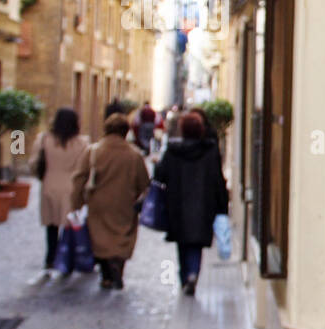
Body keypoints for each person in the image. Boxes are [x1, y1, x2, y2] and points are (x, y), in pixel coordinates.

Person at [71, 113, 149, 289]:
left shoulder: (93, 151)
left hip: (98, 203)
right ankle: (118, 266)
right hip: (124, 203)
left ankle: (106, 275)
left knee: (99, 238)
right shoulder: (134, 155)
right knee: (121, 237)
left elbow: (79, 178)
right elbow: (144, 182)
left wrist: (76, 203)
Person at [154, 110, 227, 296]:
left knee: (182, 243)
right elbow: (218, 179)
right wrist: (222, 205)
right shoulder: (210, 151)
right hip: (203, 205)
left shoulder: (173, 151)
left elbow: (160, 176)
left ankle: (185, 276)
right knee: (196, 244)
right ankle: (193, 273)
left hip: (177, 204)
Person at [30, 108, 90, 272]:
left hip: (50, 185)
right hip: (72, 188)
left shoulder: (44, 140)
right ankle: (67, 257)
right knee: (70, 224)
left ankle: (50, 257)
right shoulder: (82, 143)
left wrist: (40, 174)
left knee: (51, 224)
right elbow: (87, 167)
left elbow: (34, 163)